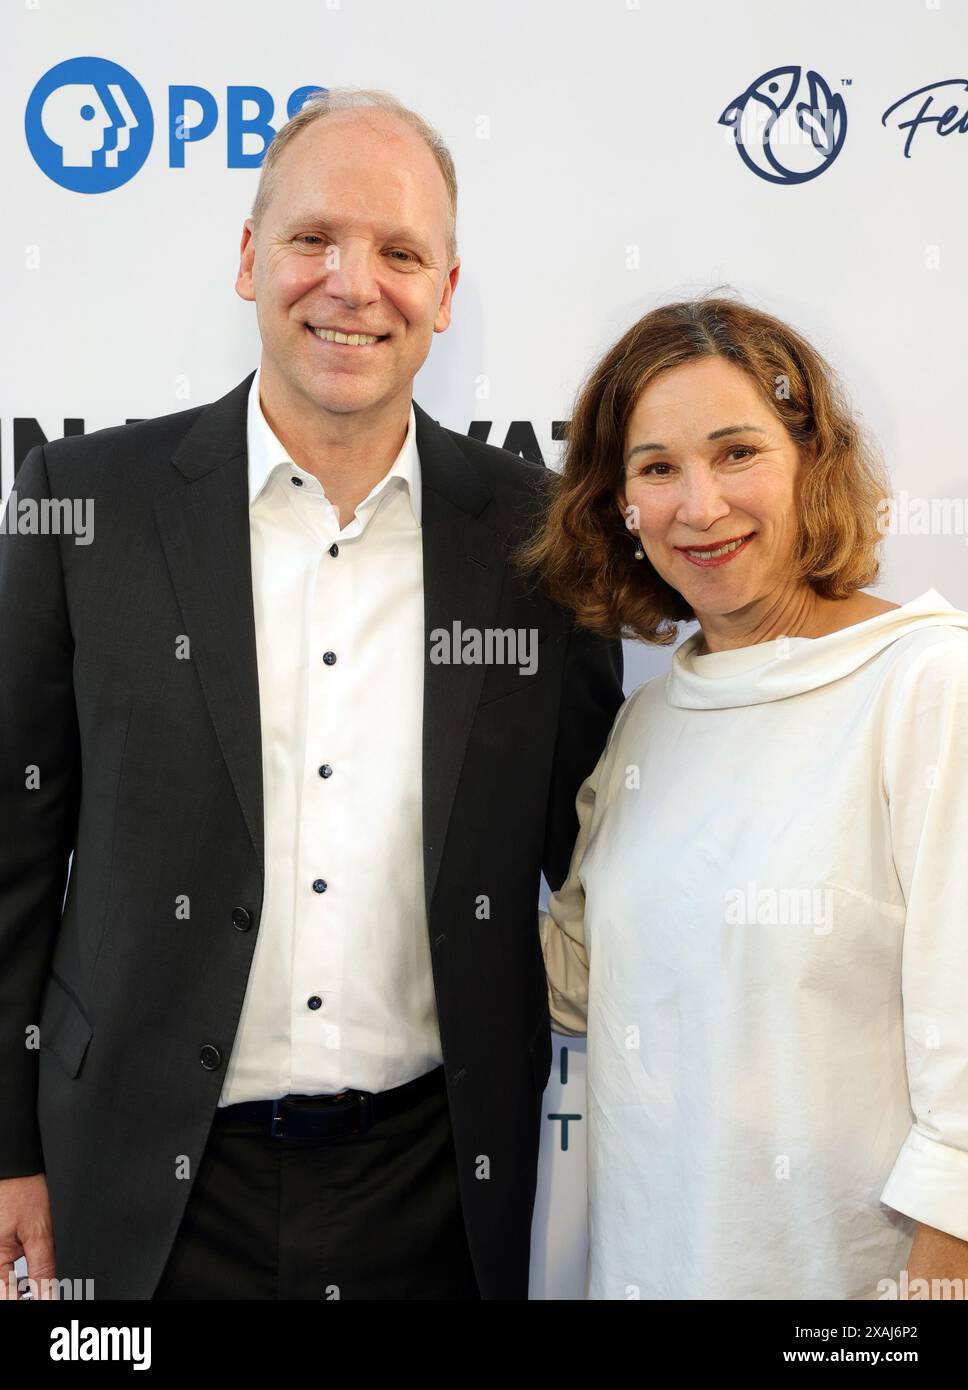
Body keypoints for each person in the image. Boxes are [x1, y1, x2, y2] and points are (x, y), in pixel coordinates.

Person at [0, 88, 624, 1301]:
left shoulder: (537, 541)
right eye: (312, 240)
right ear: (248, 259)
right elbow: (14, 855)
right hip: (130, 1183)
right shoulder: (85, 505)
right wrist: (7, 1152)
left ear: (444, 293)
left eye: (400, 253)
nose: (353, 284)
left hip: (435, 1186)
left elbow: (605, 851)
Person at [519, 294, 968, 1300]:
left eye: (735, 452)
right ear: (618, 506)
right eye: (655, 468)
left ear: (811, 462)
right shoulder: (650, 723)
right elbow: (580, 982)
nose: (698, 504)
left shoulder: (925, 687)